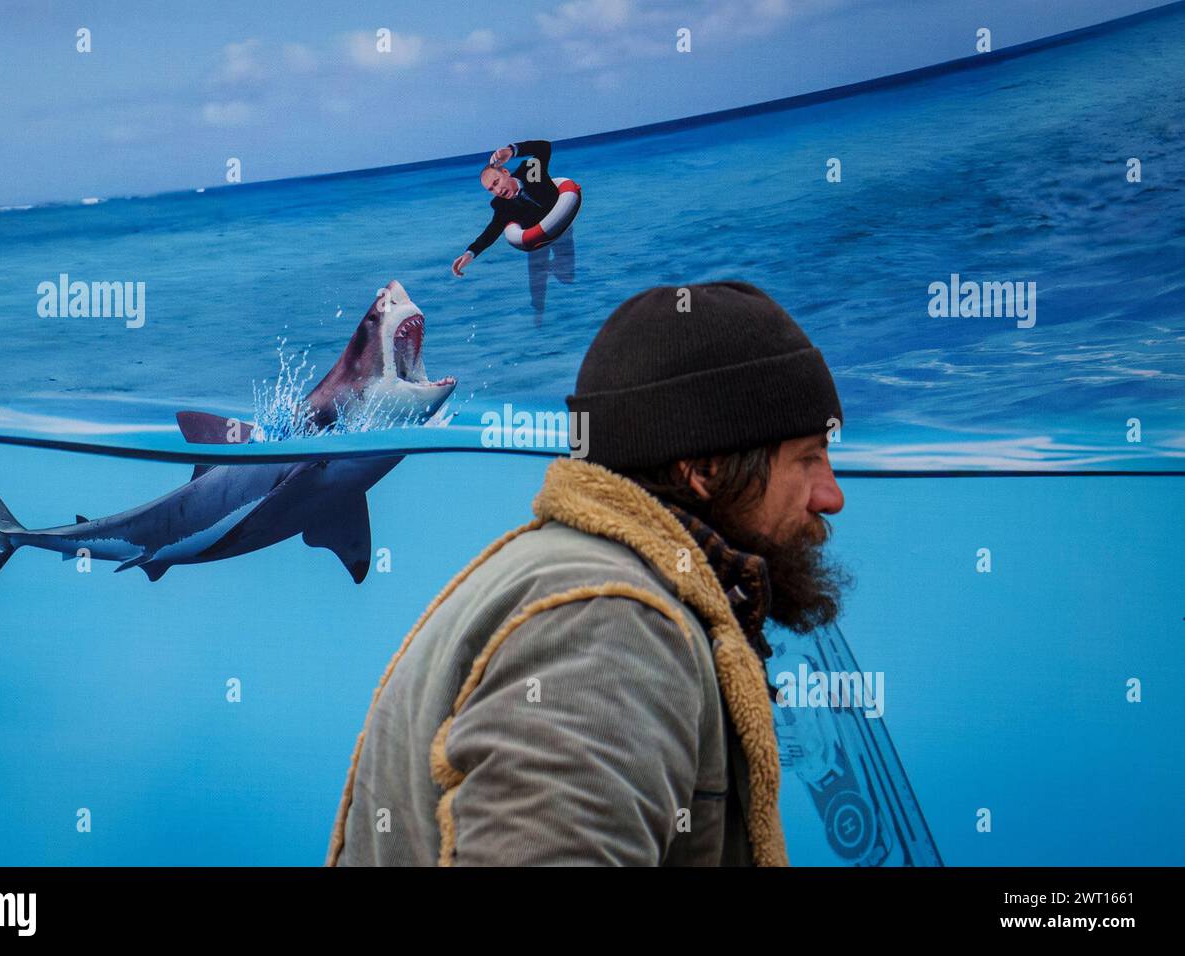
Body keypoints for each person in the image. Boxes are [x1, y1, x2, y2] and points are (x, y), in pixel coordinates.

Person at [327, 281, 849, 866]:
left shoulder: (584, 579)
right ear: (702, 469)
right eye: (808, 458)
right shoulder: (615, 628)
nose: (832, 496)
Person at [451, 139, 575, 312]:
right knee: (541, 289)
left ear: (505, 172)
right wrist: (470, 253)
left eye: (496, 182)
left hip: (563, 217)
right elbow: (491, 231)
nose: (497, 191)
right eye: (491, 190)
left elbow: (544, 147)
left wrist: (512, 150)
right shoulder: (502, 206)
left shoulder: (531, 172)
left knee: (567, 275)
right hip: (539, 238)